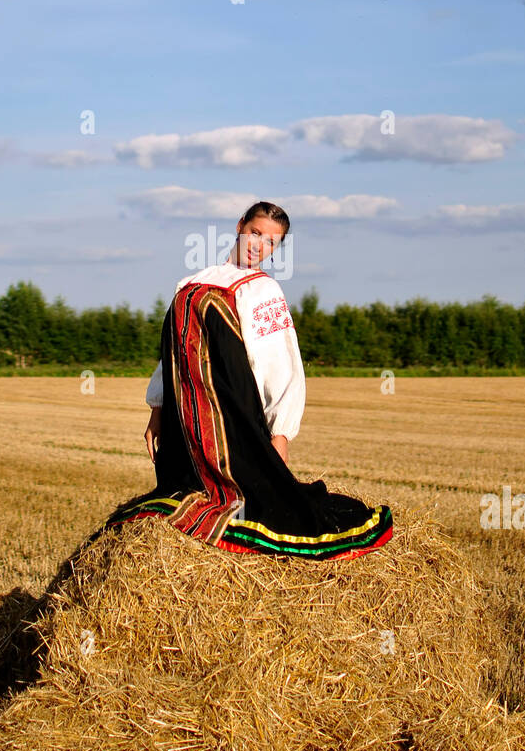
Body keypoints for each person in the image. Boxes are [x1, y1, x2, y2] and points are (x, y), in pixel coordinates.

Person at [99, 201, 394, 560]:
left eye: (271, 242)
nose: (259, 246)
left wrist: (280, 433)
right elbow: (174, 353)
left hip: (232, 427)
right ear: (240, 226)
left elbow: (280, 365)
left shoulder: (262, 291)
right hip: (184, 430)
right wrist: (157, 408)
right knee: (180, 496)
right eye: (255, 233)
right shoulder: (190, 282)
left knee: (267, 508)